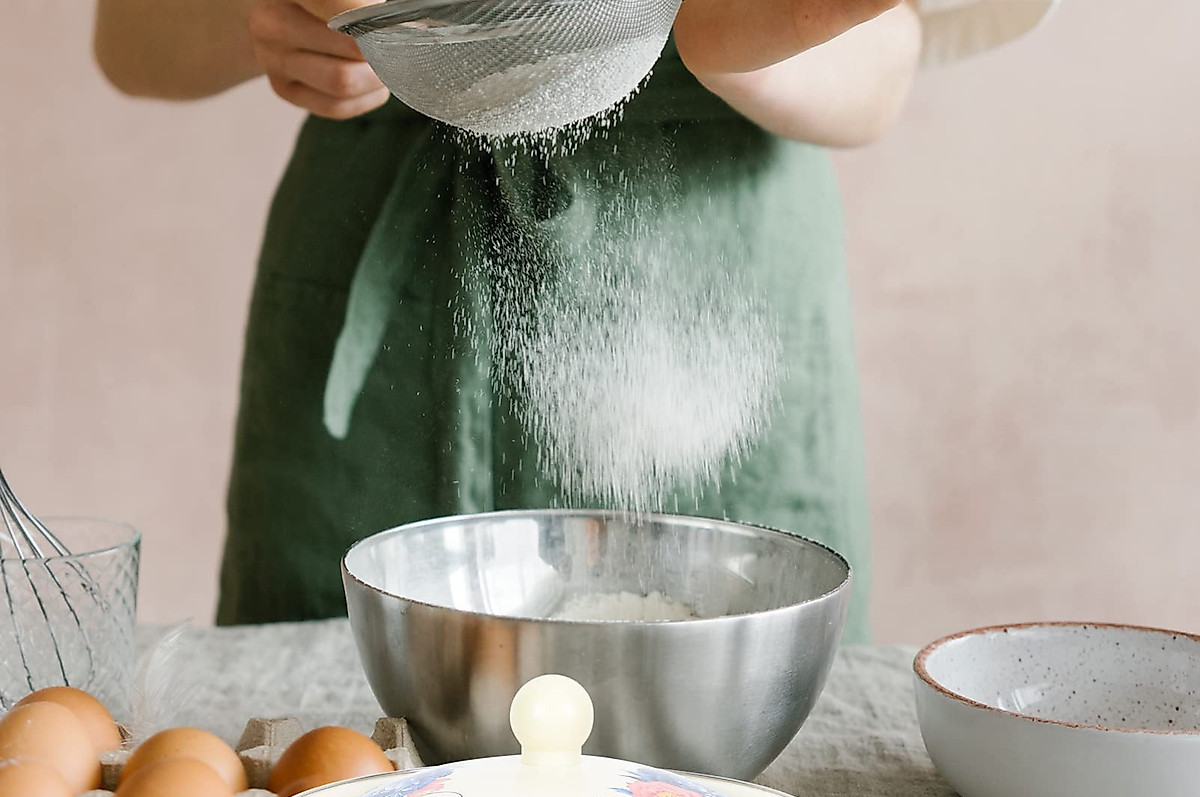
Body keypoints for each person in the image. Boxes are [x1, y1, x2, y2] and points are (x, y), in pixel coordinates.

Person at [93, 0, 1055, 639]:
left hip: (711, 289)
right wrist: (271, 14)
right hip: (384, 281)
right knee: (329, 755)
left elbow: (884, 61)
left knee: (715, 755)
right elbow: (130, 41)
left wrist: (732, 38)